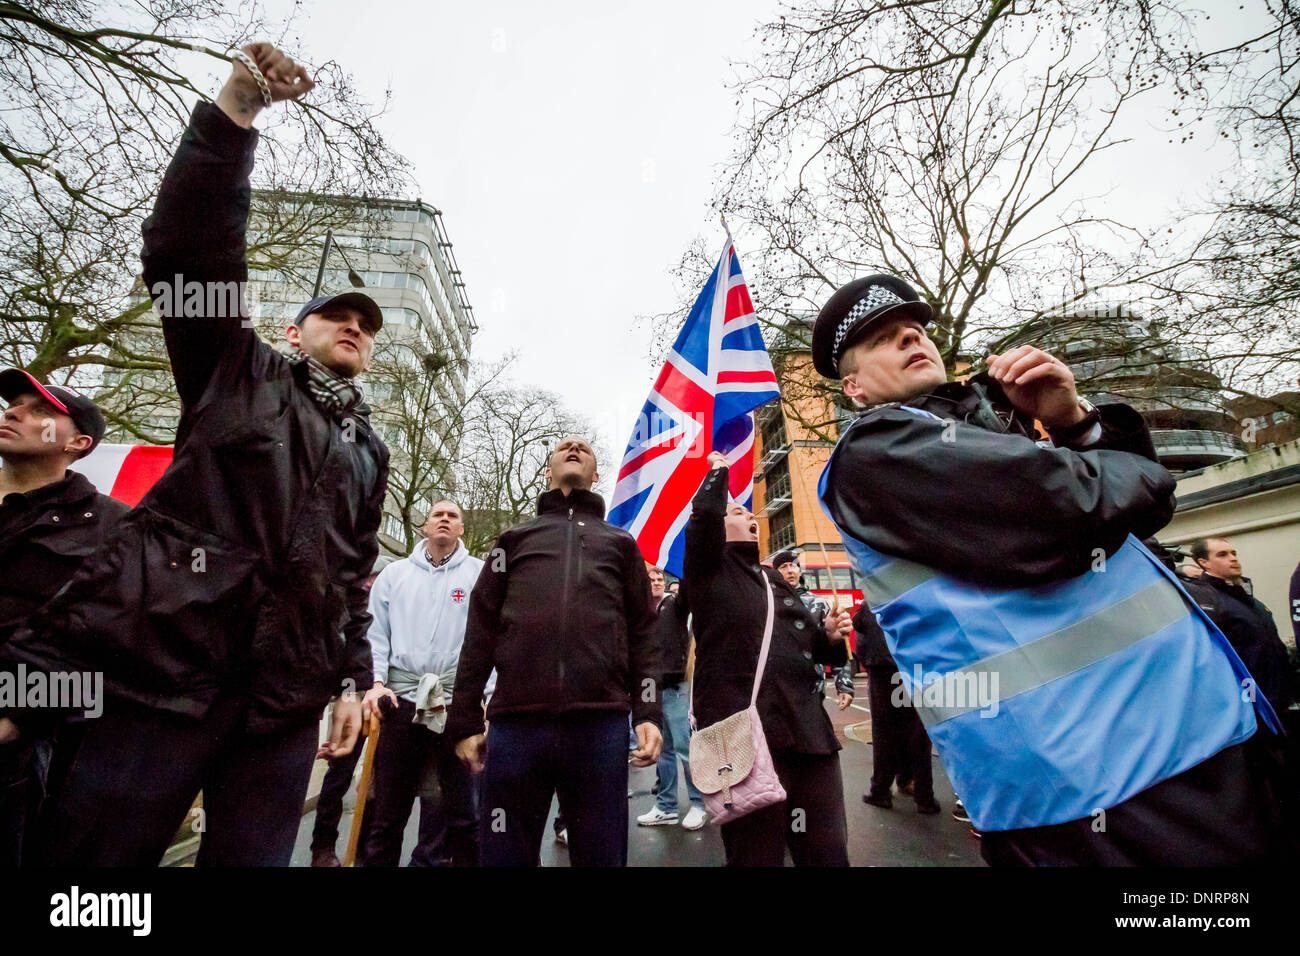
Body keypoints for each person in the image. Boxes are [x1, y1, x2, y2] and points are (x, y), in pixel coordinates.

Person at [0, 43, 389, 867]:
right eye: (337, 316)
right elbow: (187, 253)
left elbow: (353, 577)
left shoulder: (368, 449)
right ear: (293, 333)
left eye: (366, 326)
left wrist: (352, 680)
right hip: (165, 676)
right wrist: (235, 114)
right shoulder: (235, 369)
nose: (355, 327)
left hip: (281, 706)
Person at [812, 272, 1285, 866]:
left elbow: (1129, 515)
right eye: (885, 338)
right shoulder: (877, 451)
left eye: (916, 329)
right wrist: (1115, 467)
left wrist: (1076, 423)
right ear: (853, 387)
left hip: (1188, 738)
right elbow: (1080, 508)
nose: (912, 338)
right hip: (1095, 783)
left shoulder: (964, 432)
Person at [448, 436, 662, 867]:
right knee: (503, 854)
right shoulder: (512, 540)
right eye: (564, 447)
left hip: (599, 726)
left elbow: (644, 633)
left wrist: (648, 712)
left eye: (584, 448)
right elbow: (480, 630)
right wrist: (464, 719)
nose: (574, 446)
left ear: (596, 475)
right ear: (547, 471)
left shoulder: (621, 543)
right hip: (516, 727)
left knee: (602, 856)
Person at [686, 451, 854, 867]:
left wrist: (830, 638)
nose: (747, 512)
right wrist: (718, 473)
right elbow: (703, 518)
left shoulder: (774, 579)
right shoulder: (707, 572)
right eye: (735, 511)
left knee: (827, 852)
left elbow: (808, 648)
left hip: (809, 736)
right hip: (746, 738)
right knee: (755, 855)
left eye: (748, 511)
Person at [0, 373, 128, 866]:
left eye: (40, 411)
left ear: (77, 443)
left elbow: (114, 653)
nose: (13, 412)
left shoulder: (116, 530)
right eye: (14, 403)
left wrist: (18, 720)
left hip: (19, 757)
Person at [359, 500, 489, 867]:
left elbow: (490, 639)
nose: (445, 519)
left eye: (453, 516)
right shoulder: (394, 575)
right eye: (438, 515)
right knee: (388, 815)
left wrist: (488, 697)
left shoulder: (480, 575)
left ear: (461, 528)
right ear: (425, 526)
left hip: (456, 707)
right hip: (401, 702)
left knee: (464, 816)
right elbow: (376, 634)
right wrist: (376, 683)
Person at [1183, 538, 1292, 716]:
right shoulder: (1208, 602)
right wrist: (1249, 701)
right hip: (1249, 704)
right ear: (1204, 563)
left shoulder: (1247, 599)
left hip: (1277, 699)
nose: (1233, 558)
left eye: (1233, 553)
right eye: (1222, 555)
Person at [636, 565, 706, 830]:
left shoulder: (674, 605)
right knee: (663, 751)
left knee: (685, 748)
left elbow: (688, 590)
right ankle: (666, 807)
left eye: (659, 579)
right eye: (651, 579)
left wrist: (683, 561)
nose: (656, 582)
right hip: (653, 690)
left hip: (676, 687)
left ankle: (699, 803)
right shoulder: (642, 611)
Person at [853, 602, 939, 814]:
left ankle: (880, 790)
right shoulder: (913, 598)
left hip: (882, 671)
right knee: (918, 735)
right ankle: (924, 795)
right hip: (914, 670)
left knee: (884, 734)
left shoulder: (870, 604)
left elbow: (859, 634)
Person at [773, 549, 855, 710]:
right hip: (779, 687)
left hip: (813, 687)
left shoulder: (818, 603)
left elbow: (836, 643)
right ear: (776, 572)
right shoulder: (769, 603)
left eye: (793, 565)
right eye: (783, 567)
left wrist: (844, 686)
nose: (790, 570)